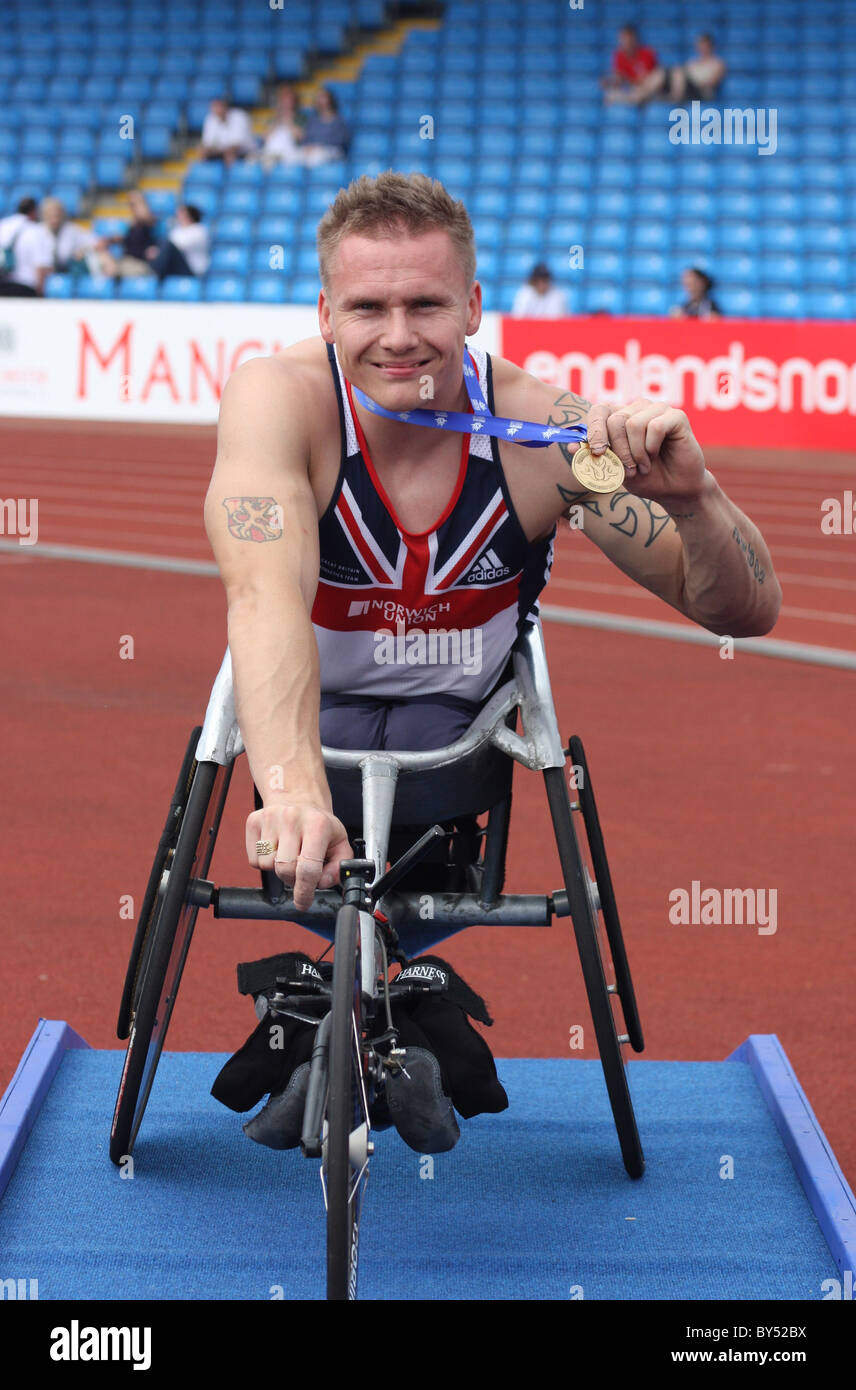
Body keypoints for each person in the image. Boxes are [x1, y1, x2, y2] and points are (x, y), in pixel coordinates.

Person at [204, 171, 781, 1151]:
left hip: (456, 768)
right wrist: (292, 790)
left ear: (473, 306)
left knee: (423, 784)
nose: (398, 334)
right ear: (322, 310)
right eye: (367, 306)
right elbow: (259, 596)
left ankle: (347, 1007)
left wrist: (695, 499)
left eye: (426, 303)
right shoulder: (277, 400)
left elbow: (741, 608)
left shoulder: (545, 434)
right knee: (297, 740)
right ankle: (386, 1003)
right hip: (308, 749)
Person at [94, 190, 158, 278]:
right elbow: (120, 238)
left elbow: (146, 218)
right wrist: (108, 241)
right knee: (102, 254)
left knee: (114, 268)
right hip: (125, 262)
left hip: (140, 264)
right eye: (131, 204)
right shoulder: (130, 226)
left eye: (135, 204)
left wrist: (140, 204)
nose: (132, 207)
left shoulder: (149, 223)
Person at [144, 203, 210, 281]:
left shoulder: (199, 230)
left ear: (190, 215)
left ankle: (153, 272)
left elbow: (178, 246)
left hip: (192, 269)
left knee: (165, 244)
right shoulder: (177, 230)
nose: (178, 217)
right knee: (161, 243)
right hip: (175, 267)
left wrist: (158, 252)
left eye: (182, 214)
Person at [602, 24, 663, 105]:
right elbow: (619, 79)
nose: (626, 42)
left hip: (649, 90)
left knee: (655, 80)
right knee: (609, 95)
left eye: (628, 38)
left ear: (635, 38)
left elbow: (649, 79)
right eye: (623, 38)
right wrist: (610, 81)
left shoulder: (647, 53)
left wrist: (628, 79)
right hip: (632, 90)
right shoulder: (619, 55)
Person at [667, 33, 727, 104]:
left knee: (679, 73)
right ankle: (674, 98)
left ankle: (676, 99)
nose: (701, 48)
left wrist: (696, 80)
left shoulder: (718, 63)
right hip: (690, 89)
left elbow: (712, 82)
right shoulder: (693, 62)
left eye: (704, 45)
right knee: (675, 72)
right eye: (700, 45)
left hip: (703, 92)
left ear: (710, 46)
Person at [258, 84, 306, 169]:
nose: (286, 102)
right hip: (272, 150)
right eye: (283, 100)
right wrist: (277, 120)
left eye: (288, 100)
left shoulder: (300, 117)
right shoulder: (275, 118)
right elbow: (265, 138)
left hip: (291, 151)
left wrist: (288, 121)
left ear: (294, 101)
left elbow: (300, 137)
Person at [299, 86, 350, 165]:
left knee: (315, 158)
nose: (320, 100)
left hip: (332, 150)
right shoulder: (313, 120)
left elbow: (340, 141)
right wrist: (308, 146)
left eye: (323, 97)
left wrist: (318, 146)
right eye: (318, 98)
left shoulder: (338, 120)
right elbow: (307, 138)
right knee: (295, 156)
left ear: (330, 100)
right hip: (312, 149)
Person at [0, 197, 40, 296]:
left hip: (3, 282)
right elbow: (41, 264)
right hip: (27, 286)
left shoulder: (3, 225)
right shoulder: (36, 230)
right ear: (34, 211)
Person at [200, 98, 256, 166]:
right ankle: (206, 174)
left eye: (218, 107)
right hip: (222, 151)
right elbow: (208, 142)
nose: (216, 110)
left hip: (246, 151)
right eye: (213, 107)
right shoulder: (211, 118)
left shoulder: (239, 116)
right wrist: (205, 150)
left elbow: (238, 143)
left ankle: (233, 174)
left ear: (225, 107)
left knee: (230, 154)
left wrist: (224, 150)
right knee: (203, 152)